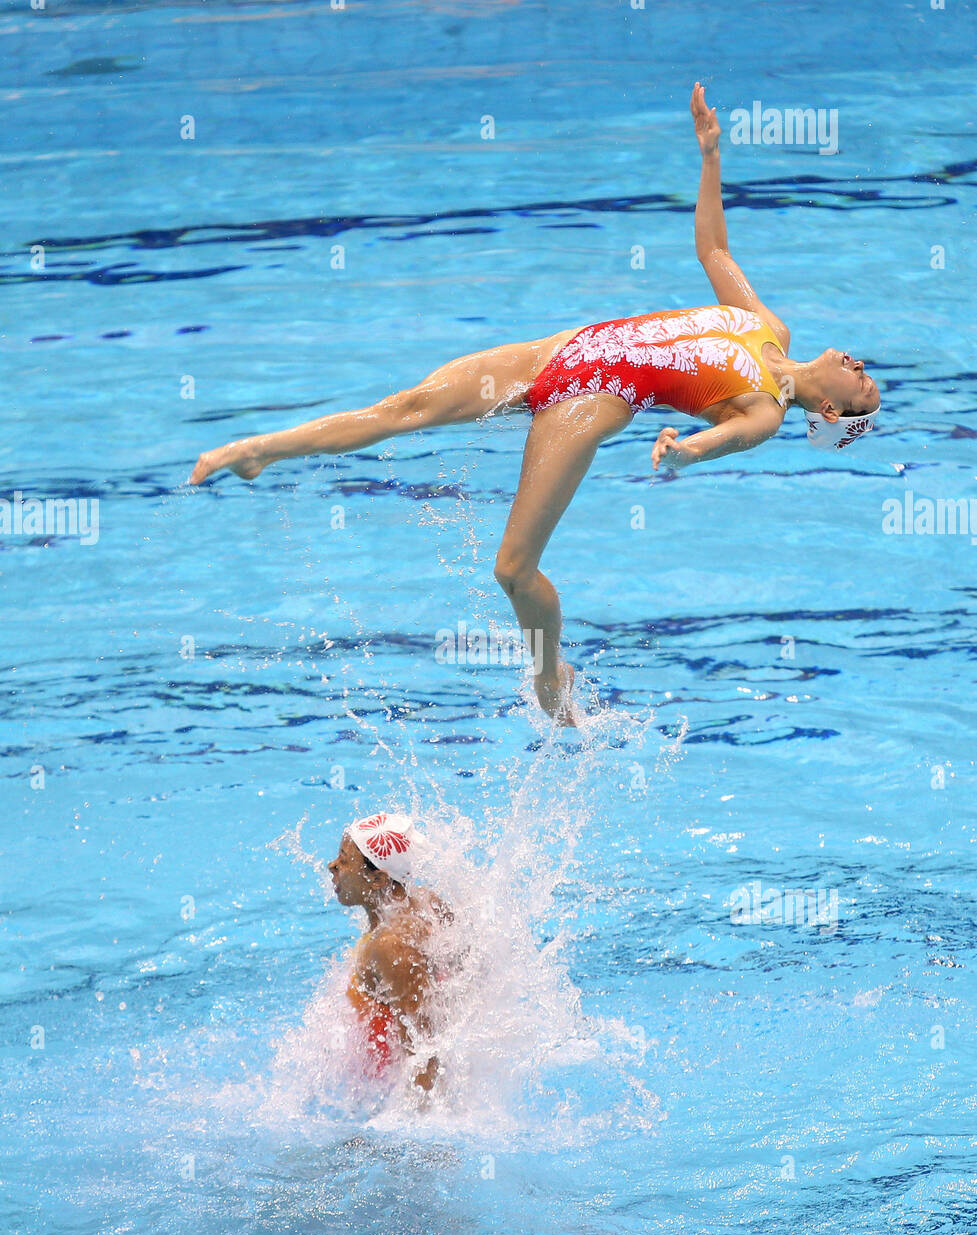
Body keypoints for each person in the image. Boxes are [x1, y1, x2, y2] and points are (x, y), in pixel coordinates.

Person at [190, 83, 880, 725]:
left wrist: (680, 452)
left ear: (828, 414)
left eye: (863, 385)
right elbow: (713, 247)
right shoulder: (769, 327)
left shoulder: (763, 412)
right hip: (562, 351)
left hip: (592, 396)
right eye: (865, 369)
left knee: (511, 569)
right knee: (403, 406)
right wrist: (709, 154)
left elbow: (715, 443)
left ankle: (549, 673)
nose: (858, 365)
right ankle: (256, 451)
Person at [328, 812, 449, 1092]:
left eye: (345, 860)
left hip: (384, 1090)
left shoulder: (390, 946)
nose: (332, 866)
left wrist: (417, 1125)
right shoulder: (425, 902)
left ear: (379, 879)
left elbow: (423, 1049)